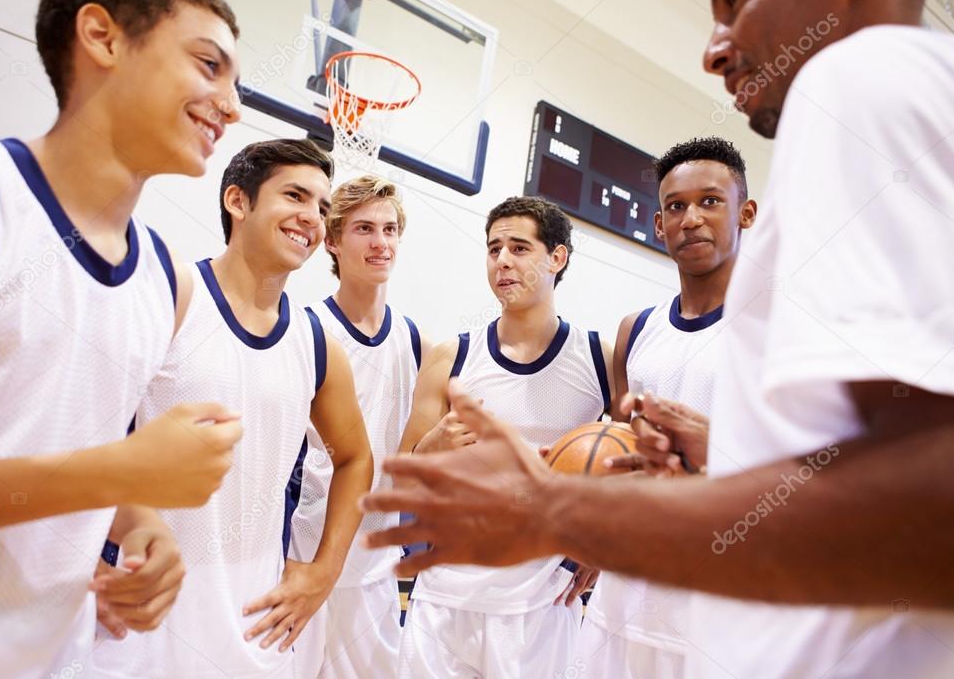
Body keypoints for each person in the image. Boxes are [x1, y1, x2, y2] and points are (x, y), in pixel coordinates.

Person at [361, 0, 954, 677]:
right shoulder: (931, 90)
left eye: (733, 3)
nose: (714, 48)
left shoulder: (864, 74)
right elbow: (890, 473)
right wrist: (724, 460)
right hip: (624, 619)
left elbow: (950, 510)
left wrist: (557, 511)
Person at [0, 0, 244, 676]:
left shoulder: (165, 282)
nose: (231, 107)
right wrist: (121, 473)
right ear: (101, 36)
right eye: (209, 65)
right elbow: (97, 468)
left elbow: (63, 451)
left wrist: (142, 524)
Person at [89, 139, 374, 678]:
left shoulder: (317, 344)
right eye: (295, 195)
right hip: (138, 618)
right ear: (237, 201)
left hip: (254, 625)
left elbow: (355, 459)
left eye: (321, 206)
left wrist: (323, 572)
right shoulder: (170, 294)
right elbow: (86, 430)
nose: (311, 218)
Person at [396, 196, 612, 679]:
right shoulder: (452, 355)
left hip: (543, 600)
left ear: (557, 258)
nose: (503, 261)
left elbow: (636, 469)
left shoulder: (601, 358)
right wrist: (434, 447)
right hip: (446, 594)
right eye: (494, 249)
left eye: (519, 247)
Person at [580, 136, 756, 679]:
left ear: (746, 214)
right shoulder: (636, 331)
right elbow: (622, 451)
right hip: (623, 595)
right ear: (658, 225)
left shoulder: (778, 328)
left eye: (710, 201)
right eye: (675, 206)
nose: (691, 219)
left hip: (721, 607)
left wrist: (720, 450)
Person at [290, 175, 425, 678]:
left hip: (375, 567)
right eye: (364, 229)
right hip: (303, 552)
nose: (380, 242)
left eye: (390, 229)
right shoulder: (304, 330)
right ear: (332, 240)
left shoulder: (414, 342)